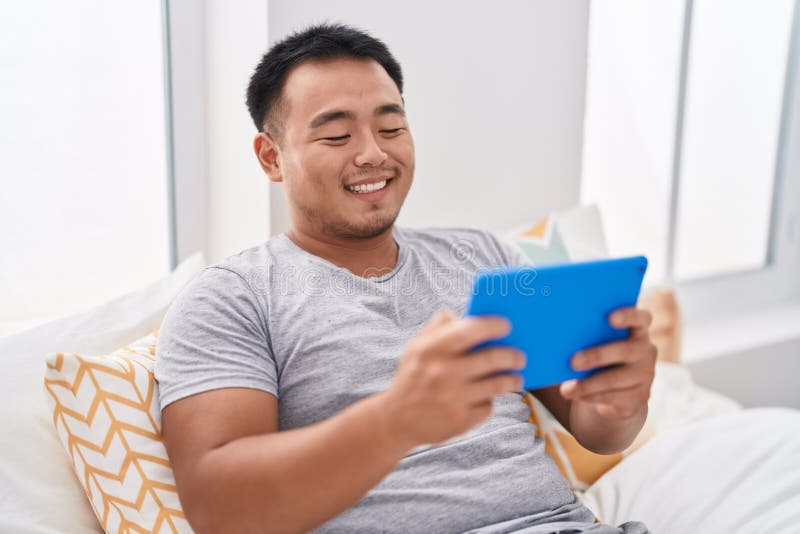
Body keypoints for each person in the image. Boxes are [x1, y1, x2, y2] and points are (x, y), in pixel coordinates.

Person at [155, 23, 655, 533]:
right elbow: (221, 510)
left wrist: (620, 401)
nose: (374, 153)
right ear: (271, 157)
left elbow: (597, 432)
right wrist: (396, 419)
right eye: (337, 135)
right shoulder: (229, 299)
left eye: (391, 128)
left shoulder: (483, 256)